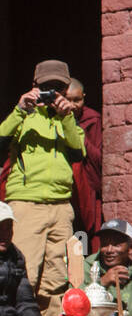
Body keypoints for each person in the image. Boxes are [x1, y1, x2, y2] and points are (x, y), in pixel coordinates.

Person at [0, 59, 86, 316]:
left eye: (58, 87)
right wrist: (20, 109)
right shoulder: (24, 115)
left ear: (66, 89)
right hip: (26, 203)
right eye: (46, 87)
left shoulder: (68, 119)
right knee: (26, 273)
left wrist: (67, 117)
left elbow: (78, 153)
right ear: (34, 87)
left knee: (56, 279)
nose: (51, 93)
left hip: (60, 206)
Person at [65, 78, 104, 242]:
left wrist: (80, 135)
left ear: (84, 98)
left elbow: (99, 158)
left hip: (86, 185)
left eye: (77, 100)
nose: (73, 105)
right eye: (68, 100)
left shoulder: (93, 119)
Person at [81, 218, 132, 316]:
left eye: (116, 244)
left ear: (129, 246)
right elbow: (75, 303)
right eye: (104, 244)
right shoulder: (90, 265)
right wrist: (102, 282)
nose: (109, 250)